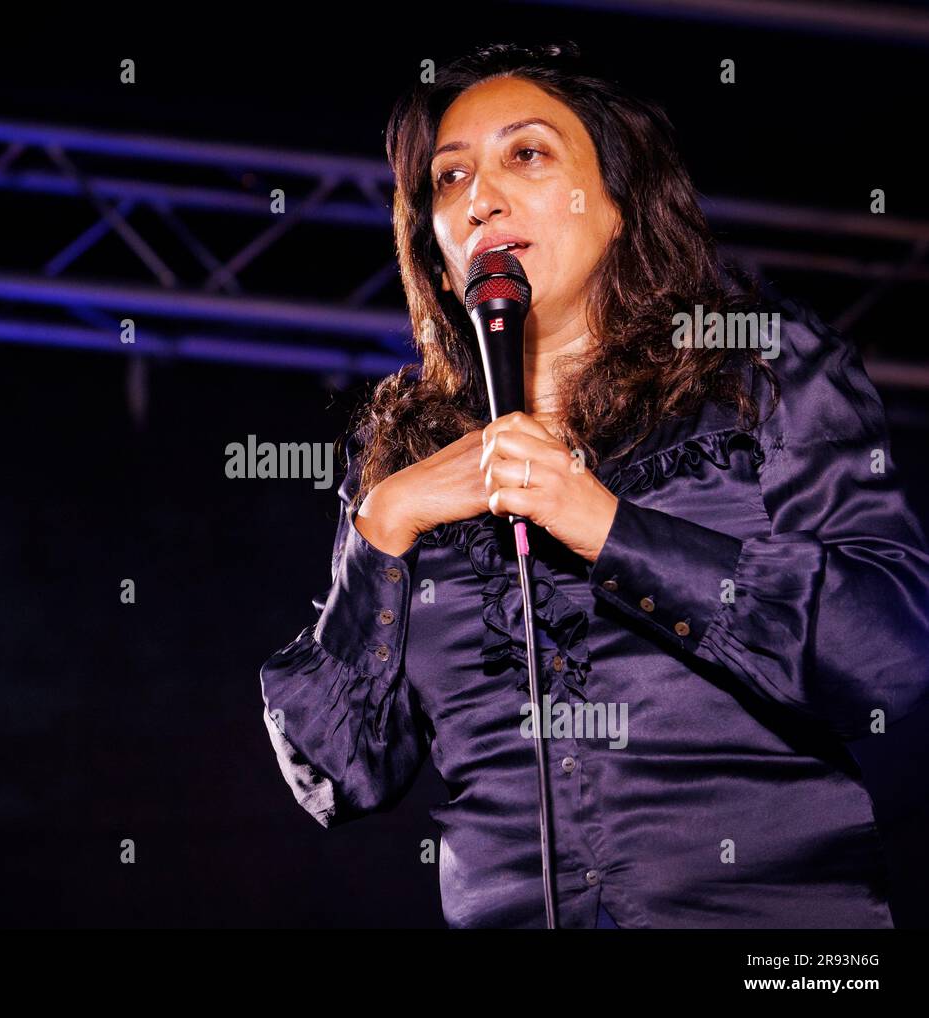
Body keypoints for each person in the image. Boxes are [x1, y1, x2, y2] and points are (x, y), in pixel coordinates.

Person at [257, 41, 929, 929]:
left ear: (617, 202)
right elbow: (338, 774)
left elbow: (889, 656)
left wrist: (607, 524)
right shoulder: (404, 463)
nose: (479, 198)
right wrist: (383, 523)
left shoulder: (759, 375)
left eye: (525, 155)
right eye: (448, 181)